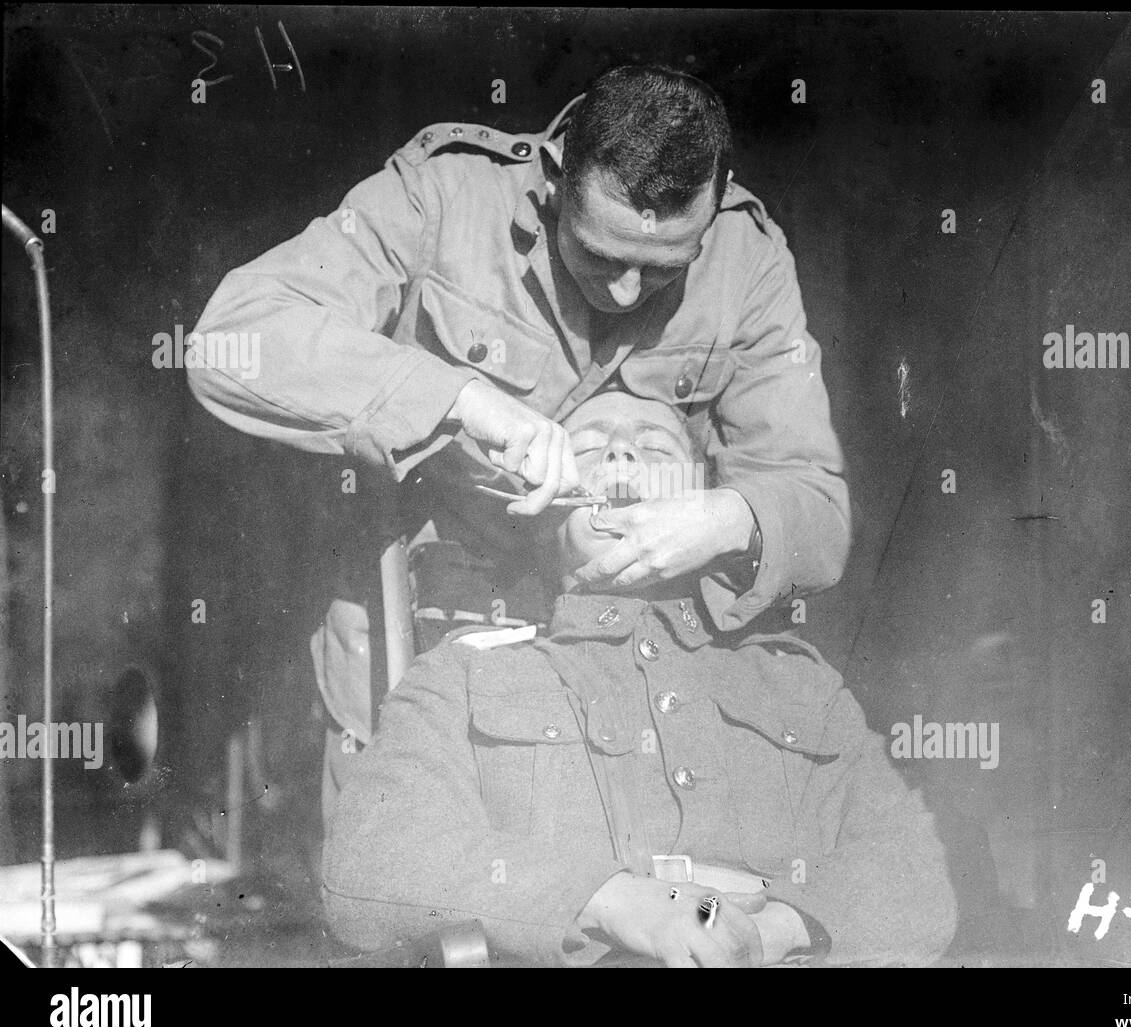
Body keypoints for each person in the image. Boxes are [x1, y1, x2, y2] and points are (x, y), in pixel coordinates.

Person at [189, 65, 851, 821]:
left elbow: (818, 514)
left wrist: (733, 519)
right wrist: (462, 401)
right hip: (416, 617)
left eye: (665, 268)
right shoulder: (445, 197)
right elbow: (231, 340)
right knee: (398, 882)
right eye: (600, 256)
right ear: (556, 183)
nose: (628, 291)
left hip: (626, 655)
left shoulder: (749, 258)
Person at [322, 391, 954, 967]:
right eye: (590, 446)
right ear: (546, 506)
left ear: (704, 500)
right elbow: (373, 858)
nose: (622, 451)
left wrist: (772, 930)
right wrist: (612, 902)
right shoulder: (463, 676)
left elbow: (912, 872)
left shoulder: (802, 688)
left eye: (655, 448)